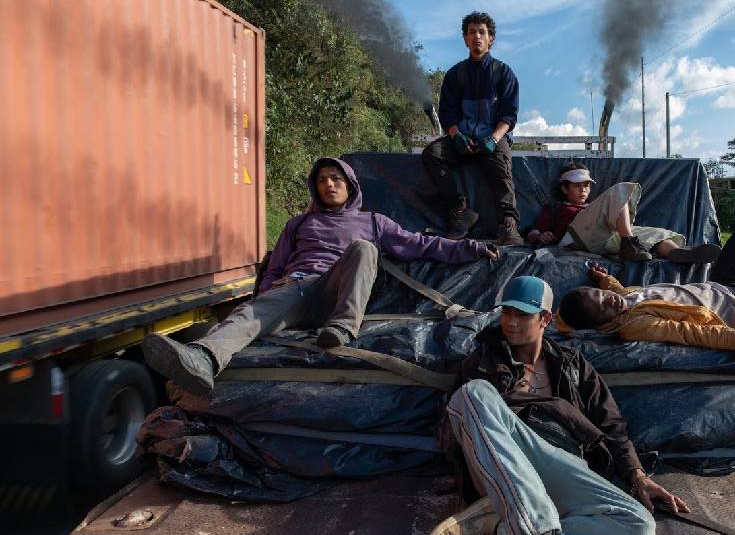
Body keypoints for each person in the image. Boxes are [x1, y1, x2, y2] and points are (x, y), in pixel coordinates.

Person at [142, 157, 498, 397]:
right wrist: (266, 296)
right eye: (323, 180)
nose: (329, 184)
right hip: (296, 290)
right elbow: (275, 267)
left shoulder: (373, 222)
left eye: (336, 179)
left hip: (336, 291)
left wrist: (471, 248)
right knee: (248, 314)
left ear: (350, 185)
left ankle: (342, 328)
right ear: (315, 188)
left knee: (364, 249)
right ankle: (203, 359)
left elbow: (421, 245)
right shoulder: (299, 223)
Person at [416, 276, 687, 535]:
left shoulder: (574, 364)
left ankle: (502, 533)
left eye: (522, 315)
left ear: (545, 318)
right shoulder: (483, 362)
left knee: (639, 529)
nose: (511, 322)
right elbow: (467, 426)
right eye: (507, 312)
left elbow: (612, 425)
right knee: (472, 394)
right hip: (508, 466)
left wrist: (638, 477)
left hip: (563, 464)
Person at [556, 216, 735, 355]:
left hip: (722, 284)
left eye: (602, 296)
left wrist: (602, 279)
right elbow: (702, 335)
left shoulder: (621, 298)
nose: (611, 301)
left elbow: (618, 292)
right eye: (603, 307)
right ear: (601, 325)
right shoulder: (635, 325)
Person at [422, 11, 523, 245]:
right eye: (471, 32)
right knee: (432, 155)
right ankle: (460, 212)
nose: (477, 36)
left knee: (502, 168)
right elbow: (447, 113)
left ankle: (508, 224)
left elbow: (509, 114)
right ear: (465, 39)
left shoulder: (503, 73)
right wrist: (456, 136)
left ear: (491, 39)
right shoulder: (455, 75)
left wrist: (495, 139)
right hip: (462, 139)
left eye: (482, 32)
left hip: (492, 139)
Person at [526, 163, 721, 264]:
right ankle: (629, 243)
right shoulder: (556, 208)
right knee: (620, 192)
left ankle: (679, 254)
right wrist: (540, 236)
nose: (583, 190)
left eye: (586, 185)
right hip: (575, 237)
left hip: (604, 239)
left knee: (655, 233)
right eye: (577, 185)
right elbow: (532, 233)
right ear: (564, 188)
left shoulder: (594, 206)